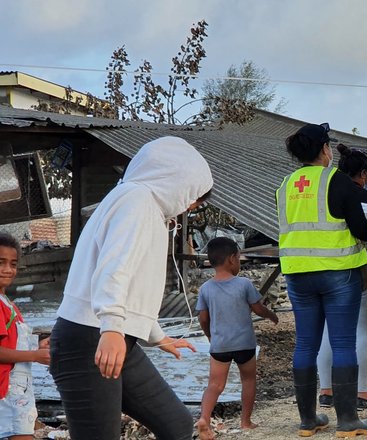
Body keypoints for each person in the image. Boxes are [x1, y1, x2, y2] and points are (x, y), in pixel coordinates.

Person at [50, 136, 212, 439]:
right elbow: (114, 267)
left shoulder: (146, 207)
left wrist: (156, 335)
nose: (191, 205)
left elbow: (136, 287)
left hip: (115, 337)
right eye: (195, 197)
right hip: (89, 338)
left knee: (176, 424)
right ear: (178, 181)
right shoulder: (137, 199)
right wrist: (111, 327)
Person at [277, 123, 367, 437]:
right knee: (342, 344)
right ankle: (348, 421)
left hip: (298, 276)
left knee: (306, 345)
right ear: (324, 149)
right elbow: (362, 229)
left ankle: (308, 420)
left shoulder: (285, 185)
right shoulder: (336, 181)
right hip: (338, 274)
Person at [317, 144, 367, 410]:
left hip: (329, 271)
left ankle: (326, 392)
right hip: (364, 273)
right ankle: (363, 394)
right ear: (364, 173)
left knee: (328, 331)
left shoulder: (326, 196)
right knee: (362, 332)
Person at [196, 237, 279, 438]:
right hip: (244, 344)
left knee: (215, 385)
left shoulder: (205, 288)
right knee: (248, 380)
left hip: (220, 345)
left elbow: (203, 318)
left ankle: (204, 419)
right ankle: (246, 421)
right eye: (239, 258)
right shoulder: (243, 284)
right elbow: (258, 309)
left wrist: (210, 336)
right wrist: (271, 315)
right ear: (232, 259)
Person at [0, 232, 49, 440]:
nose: (8, 270)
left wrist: (39, 346)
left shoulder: (9, 304)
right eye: (1, 262)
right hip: (8, 393)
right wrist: (35, 356)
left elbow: (12, 341)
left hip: (18, 393)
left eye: (13, 264)